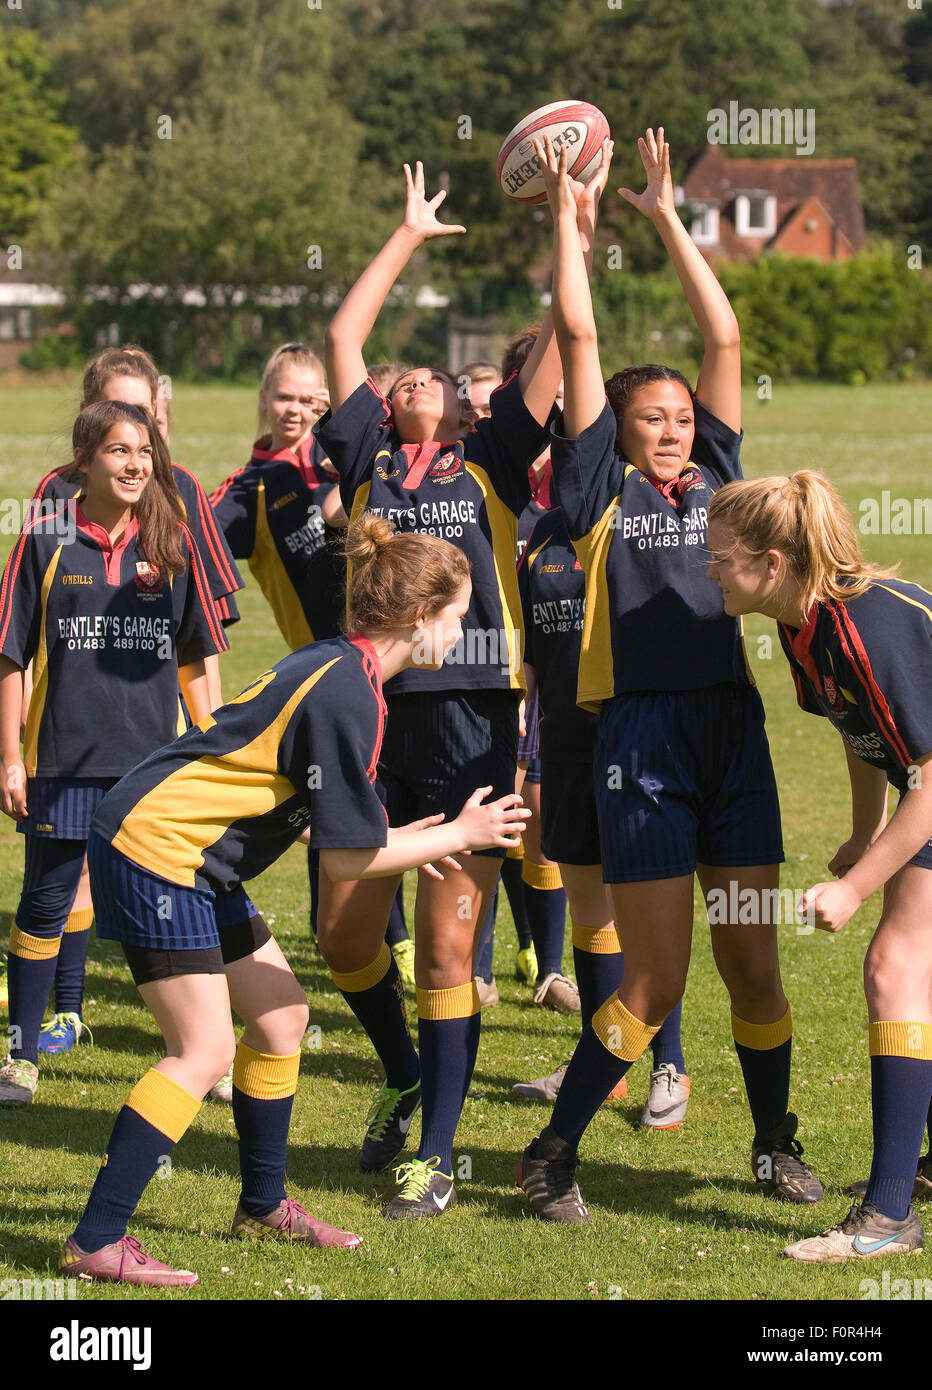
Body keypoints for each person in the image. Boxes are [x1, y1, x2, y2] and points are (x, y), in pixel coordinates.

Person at [55, 515, 528, 1285]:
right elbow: (346, 863)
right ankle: (96, 1240)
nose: (464, 628)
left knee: (280, 1020)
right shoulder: (352, 694)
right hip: (157, 850)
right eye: (459, 612)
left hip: (198, 858)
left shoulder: (345, 671)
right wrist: (457, 834)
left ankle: (263, 1206)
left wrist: (395, 833)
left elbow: (313, 811)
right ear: (420, 617)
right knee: (201, 1051)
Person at [516, 130, 821, 1223]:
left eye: (679, 417)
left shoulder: (723, 484)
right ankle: (554, 1150)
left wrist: (662, 216)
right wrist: (569, 215)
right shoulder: (597, 485)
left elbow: (723, 329)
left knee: (754, 970)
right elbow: (579, 326)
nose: (668, 428)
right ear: (614, 431)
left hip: (730, 743)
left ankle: (774, 1141)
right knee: (651, 987)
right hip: (637, 746)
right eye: (651, 417)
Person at [315, 158, 591, 1219]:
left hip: (474, 722)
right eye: (404, 378)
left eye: (433, 375)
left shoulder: (489, 464)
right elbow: (345, 338)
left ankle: (432, 1154)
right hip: (368, 716)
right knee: (347, 933)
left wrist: (568, 222)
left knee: (443, 942)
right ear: (385, 407)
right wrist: (405, 235)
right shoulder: (363, 465)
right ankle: (399, 1071)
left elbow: (563, 342)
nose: (416, 380)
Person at [707, 470, 932, 1261]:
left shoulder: (868, 624)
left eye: (721, 558)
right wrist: (865, 832)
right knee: (910, 970)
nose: (710, 570)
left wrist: (855, 884)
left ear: (773, 562)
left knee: (893, 965)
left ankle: (888, 1217)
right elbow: (861, 725)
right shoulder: (802, 623)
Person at [0, 400, 228, 1106]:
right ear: (85, 461)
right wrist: (10, 755)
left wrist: (214, 748)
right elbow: (11, 656)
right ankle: (20, 1056)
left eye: (144, 452)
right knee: (45, 903)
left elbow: (193, 656)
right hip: (62, 764)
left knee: (172, 909)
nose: (134, 464)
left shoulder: (173, 543)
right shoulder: (43, 539)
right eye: (118, 451)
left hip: (150, 768)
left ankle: (203, 1053)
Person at [514, 498, 688, 1124]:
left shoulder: (640, 520)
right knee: (589, 907)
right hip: (563, 740)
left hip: (635, 738)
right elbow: (534, 646)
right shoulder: (541, 534)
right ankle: (603, 1058)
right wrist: (522, 717)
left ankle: (669, 1064)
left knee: (647, 916)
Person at [210, 342, 348, 654]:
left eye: (306, 400)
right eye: (284, 397)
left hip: (390, 640)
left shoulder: (345, 451)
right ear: (263, 397)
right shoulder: (246, 488)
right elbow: (188, 536)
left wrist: (348, 437)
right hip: (321, 659)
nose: (294, 410)